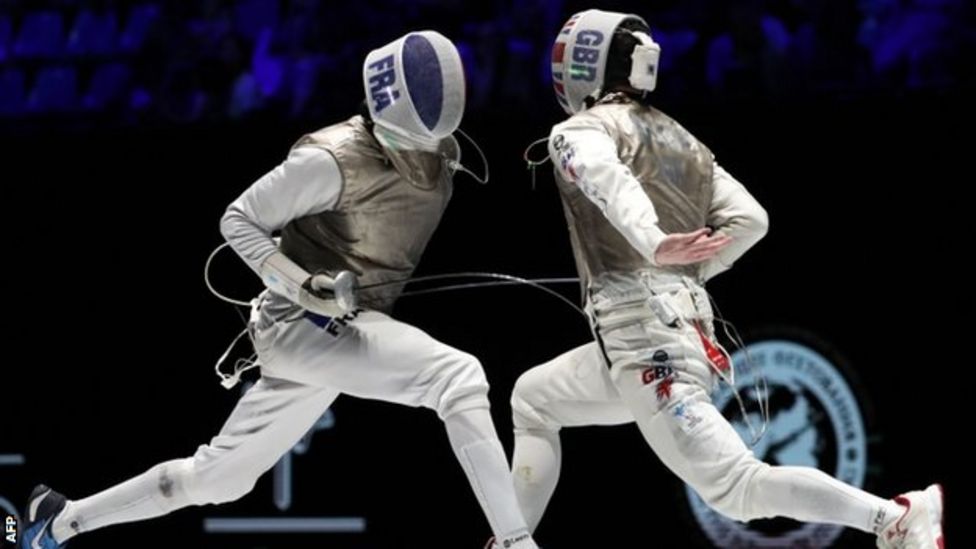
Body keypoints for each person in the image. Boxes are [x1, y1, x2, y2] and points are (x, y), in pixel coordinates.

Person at [21, 31, 538, 549]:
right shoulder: (332, 159)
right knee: (457, 376)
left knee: (218, 479)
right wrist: (303, 285)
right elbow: (239, 220)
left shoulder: (439, 154)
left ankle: (60, 520)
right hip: (303, 323)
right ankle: (516, 542)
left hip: (339, 331)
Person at [507, 9, 944, 548]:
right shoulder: (685, 141)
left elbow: (603, 174)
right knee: (532, 398)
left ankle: (896, 517)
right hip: (663, 329)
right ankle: (512, 540)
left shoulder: (578, 130)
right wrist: (681, 271)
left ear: (587, 67)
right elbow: (751, 221)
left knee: (737, 488)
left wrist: (654, 244)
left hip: (647, 340)